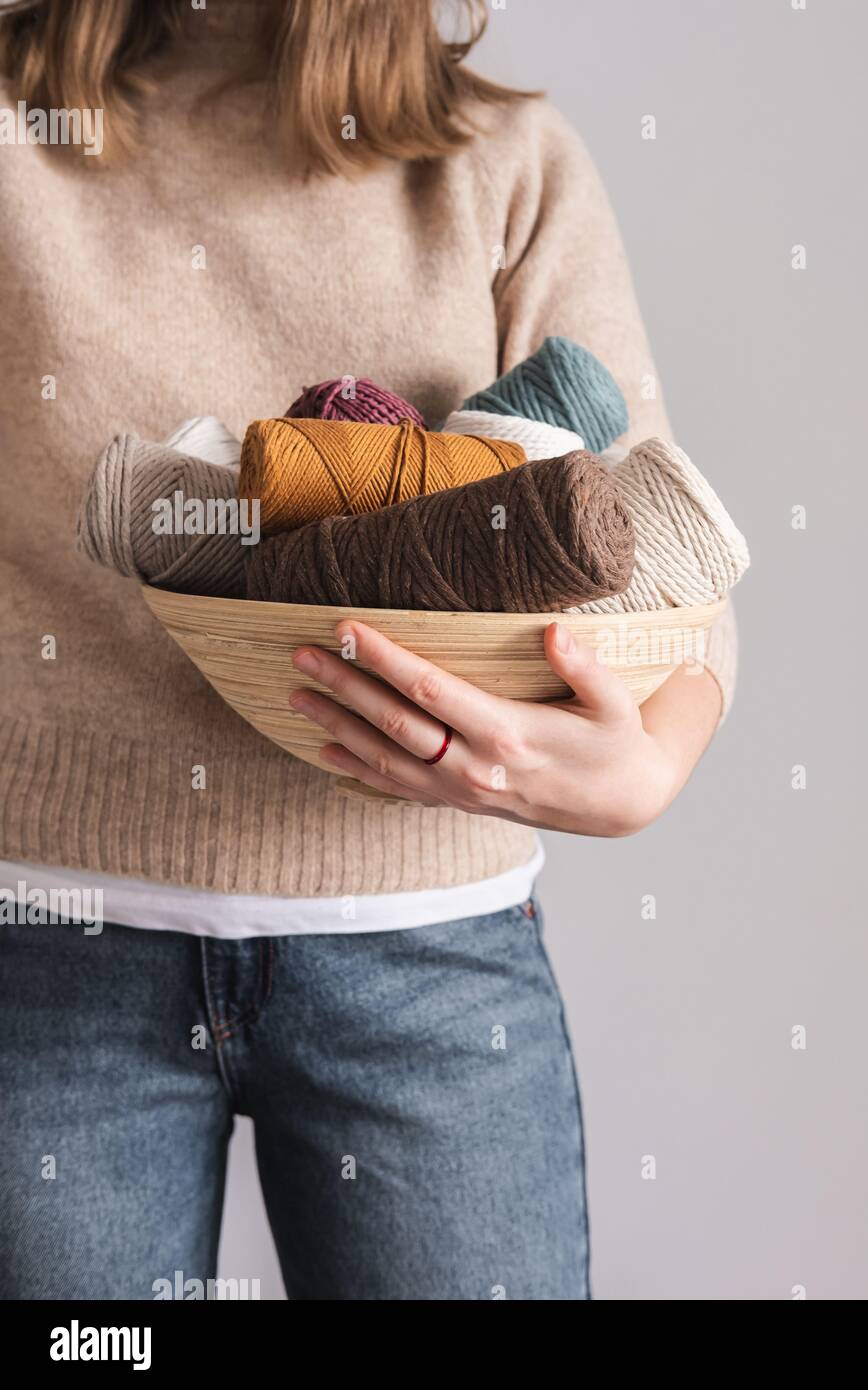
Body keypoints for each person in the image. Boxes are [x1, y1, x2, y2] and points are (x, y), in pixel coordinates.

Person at [0, 0, 737, 1300]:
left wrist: (646, 773)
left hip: (432, 966)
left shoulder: (506, 161)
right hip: (48, 955)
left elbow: (664, 558)